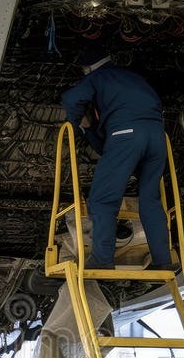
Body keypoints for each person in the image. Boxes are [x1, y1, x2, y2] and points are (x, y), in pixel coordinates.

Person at [61, 49, 176, 271]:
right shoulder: (134, 78)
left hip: (126, 134)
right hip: (157, 137)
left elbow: (71, 98)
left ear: (88, 69)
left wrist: (73, 125)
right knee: (150, 199)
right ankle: (163, 261)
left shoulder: (98, 77)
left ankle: (103, 259)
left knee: (102, 200)